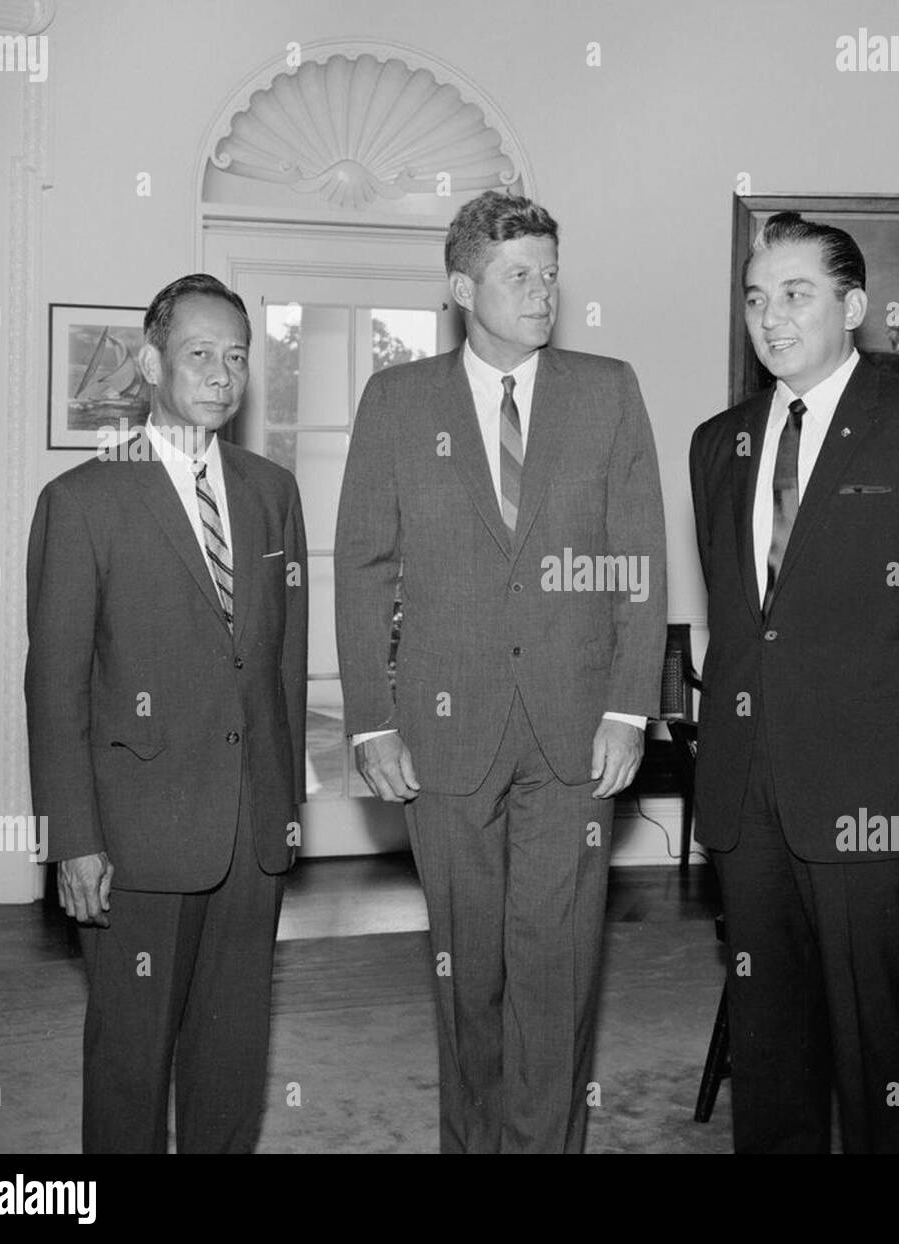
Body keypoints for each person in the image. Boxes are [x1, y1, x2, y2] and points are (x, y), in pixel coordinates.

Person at [335, 190, 666, 1153]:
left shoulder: (609, 390)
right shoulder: (398, 402)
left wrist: (629, 709)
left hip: (575, 735)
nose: (543, 291)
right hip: (444, 735)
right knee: (462, 967)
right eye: (519, 275)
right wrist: (370, 720)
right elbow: (361, 566)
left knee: (555, 969)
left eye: (551, 273)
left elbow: (637, 565)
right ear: (460, 287)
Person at [689, 212, 899, 1153]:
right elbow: (748, 623)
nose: (770, 318)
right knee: (771, 1055)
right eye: (756, 298)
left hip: (873, 797)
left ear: (855, 307)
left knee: (879, 1055)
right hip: (748, 797)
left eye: (795, 294)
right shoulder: (720, 444)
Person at [25, 273, 308, 1153]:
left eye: (236, 356)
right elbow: (55, 684)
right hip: (135, 840)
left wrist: (285, 812)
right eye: (199, 354)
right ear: (151, 364)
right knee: (130, 1061)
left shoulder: (271, 493)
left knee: (230, 1059)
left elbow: (283, 668)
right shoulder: (83, 501)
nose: (222, 375)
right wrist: (72, 837)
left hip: (249, 833)